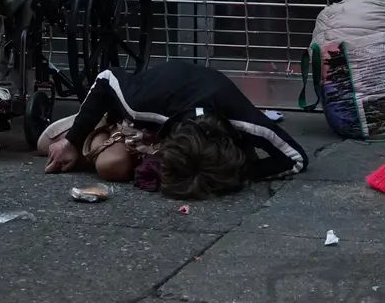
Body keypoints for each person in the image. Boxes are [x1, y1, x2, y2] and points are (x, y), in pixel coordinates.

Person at [40, 61, 307, 199]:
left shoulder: (247, 123)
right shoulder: (141, 103)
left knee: (114, 167)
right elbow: (106, 78)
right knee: (73, 154)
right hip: (141, 114)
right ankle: (96, 126)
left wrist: (239, 174)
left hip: (190, 116)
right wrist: (73, 141)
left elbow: (296, 158)